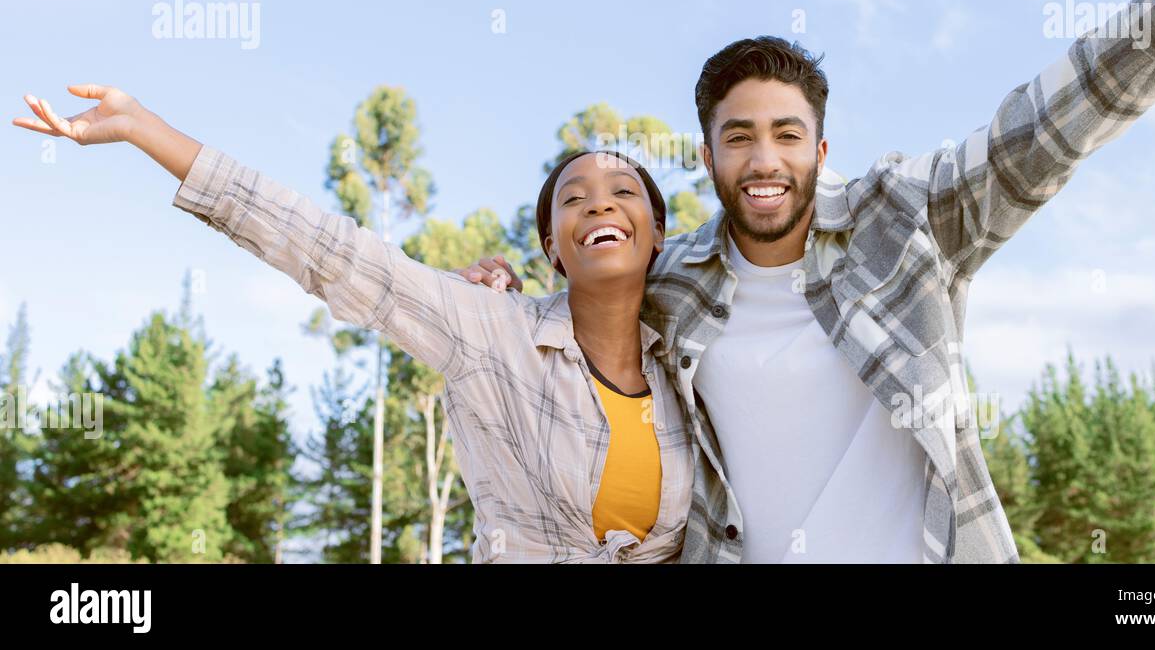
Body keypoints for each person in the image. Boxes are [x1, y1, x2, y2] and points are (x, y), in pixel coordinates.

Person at [455, 0, 1155, 563]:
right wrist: (497, 302)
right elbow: (579, 327)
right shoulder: (671, 284)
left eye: (787, 135)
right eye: (739, 137)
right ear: (707, 157)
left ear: (820, 150)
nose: (764, 160)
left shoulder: (906, 219)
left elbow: (1043, 131)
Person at [10, 96, 693, 564]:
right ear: (551, 247)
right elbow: (332, 252)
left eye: (623, 191)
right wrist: (145, 129)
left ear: (659, 233)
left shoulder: (687, 374)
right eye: (574, 197)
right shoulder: (492, 330)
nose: (599, 203)